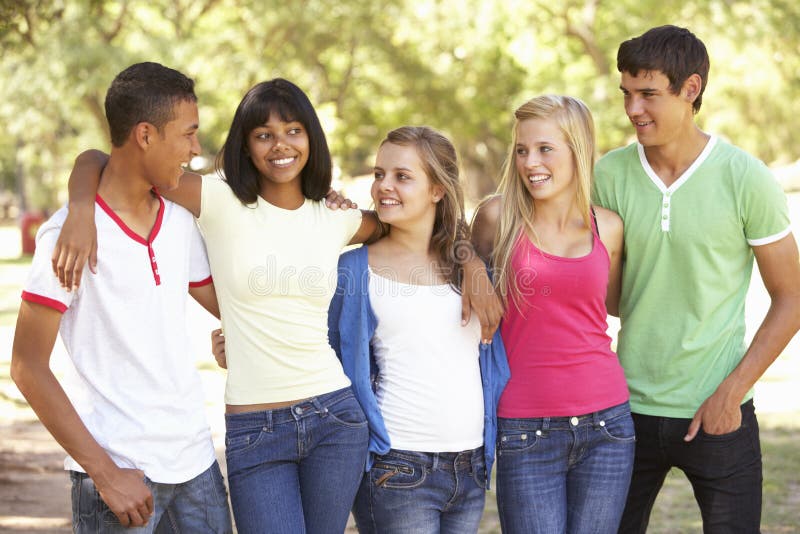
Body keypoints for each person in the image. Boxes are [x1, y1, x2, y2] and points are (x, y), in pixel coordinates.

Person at [53, 79, 502, 533]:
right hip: (255, 429)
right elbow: (109, 160)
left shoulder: (337, 217)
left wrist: (471, 263)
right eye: (263, 134)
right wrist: (78, 208)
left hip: (335, 420)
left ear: (311, 138)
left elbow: (428, 226)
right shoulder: (216, 198)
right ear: (245, 145)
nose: (280, 145)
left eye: (293, 130)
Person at [592, 25, 800, 533]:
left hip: (719, 411)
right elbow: (615, 299)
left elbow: (792, 297)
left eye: (648, 94)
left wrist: (731, 393)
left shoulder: (744, 178)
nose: (633, 109)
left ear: (691, 88)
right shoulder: (608, 176)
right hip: (625, 411)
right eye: (626, 94)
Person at [10, 62, 232, 533]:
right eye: (189, 134)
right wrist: (106, 475)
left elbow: (225, 305)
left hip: (196, 462)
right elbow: (27, 367)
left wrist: (241, 334)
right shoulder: (64, 240)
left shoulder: (177, 219)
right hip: (120, 474)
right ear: (146, 135)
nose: (196, 148)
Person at [328, 126, 510, 533]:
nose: (383, 186)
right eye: (379, 174)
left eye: (402, 176)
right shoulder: (354, 270)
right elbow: (322, 353)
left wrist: (473, 262)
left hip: (471, 465)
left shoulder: (470, 266)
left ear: (437, 190)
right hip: (396, 468)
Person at [472, 95, 633, 534]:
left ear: (577, 150)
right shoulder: (497, 218)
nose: (530, 162)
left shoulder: (609, 227)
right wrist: (469, 263)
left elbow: (611, 305)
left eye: (545, 149)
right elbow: (458, 257)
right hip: (524, 426)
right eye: (522, 150)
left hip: (608, 425)